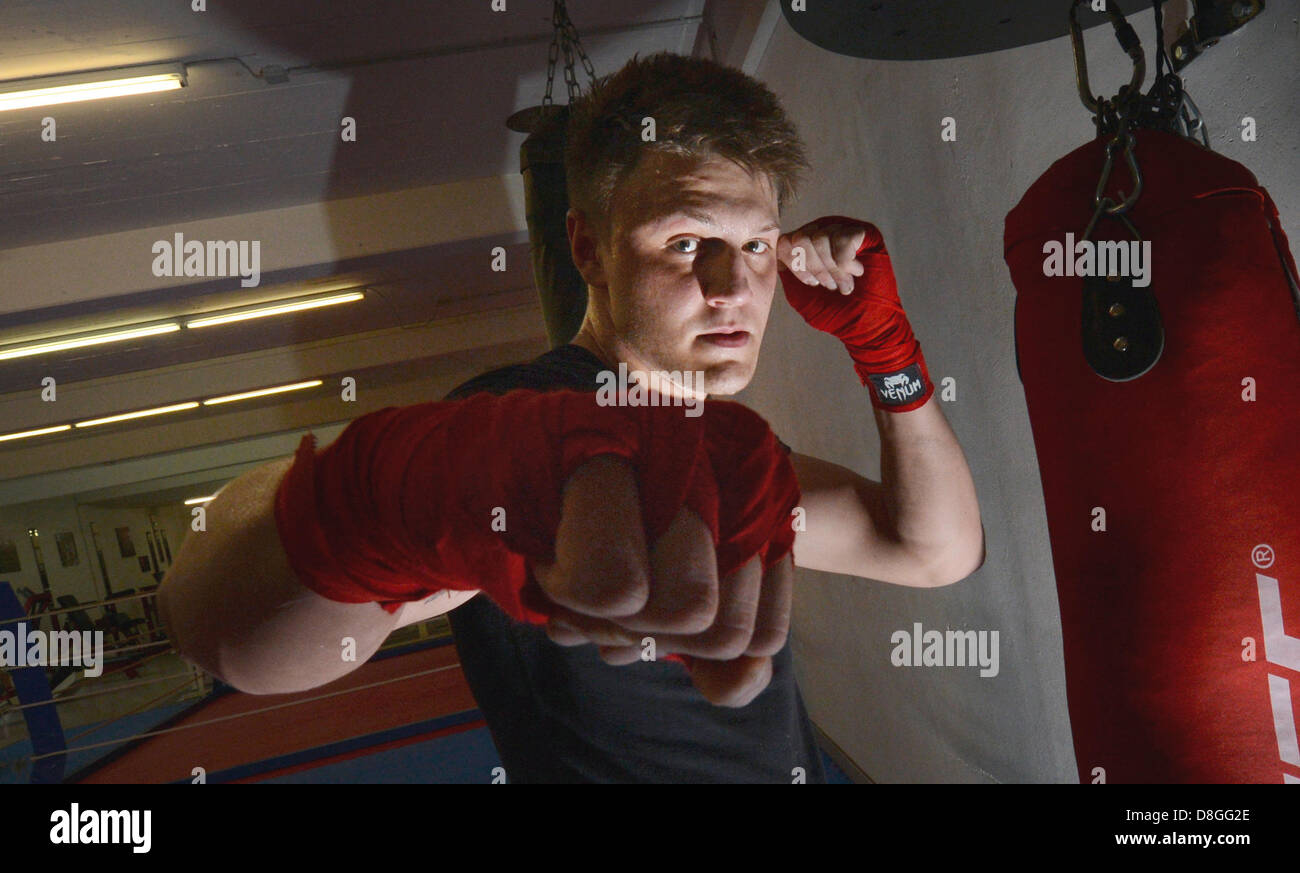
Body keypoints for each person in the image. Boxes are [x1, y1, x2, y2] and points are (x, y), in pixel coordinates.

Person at [158, 52, 983, 783]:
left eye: (758, 245)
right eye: (690, 242)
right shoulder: (519, 425)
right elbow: (213, 619)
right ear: (587, 249)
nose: (734, 286)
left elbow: (931, 549)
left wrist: (886, 354)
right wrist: (390, 497)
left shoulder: (727, 455)